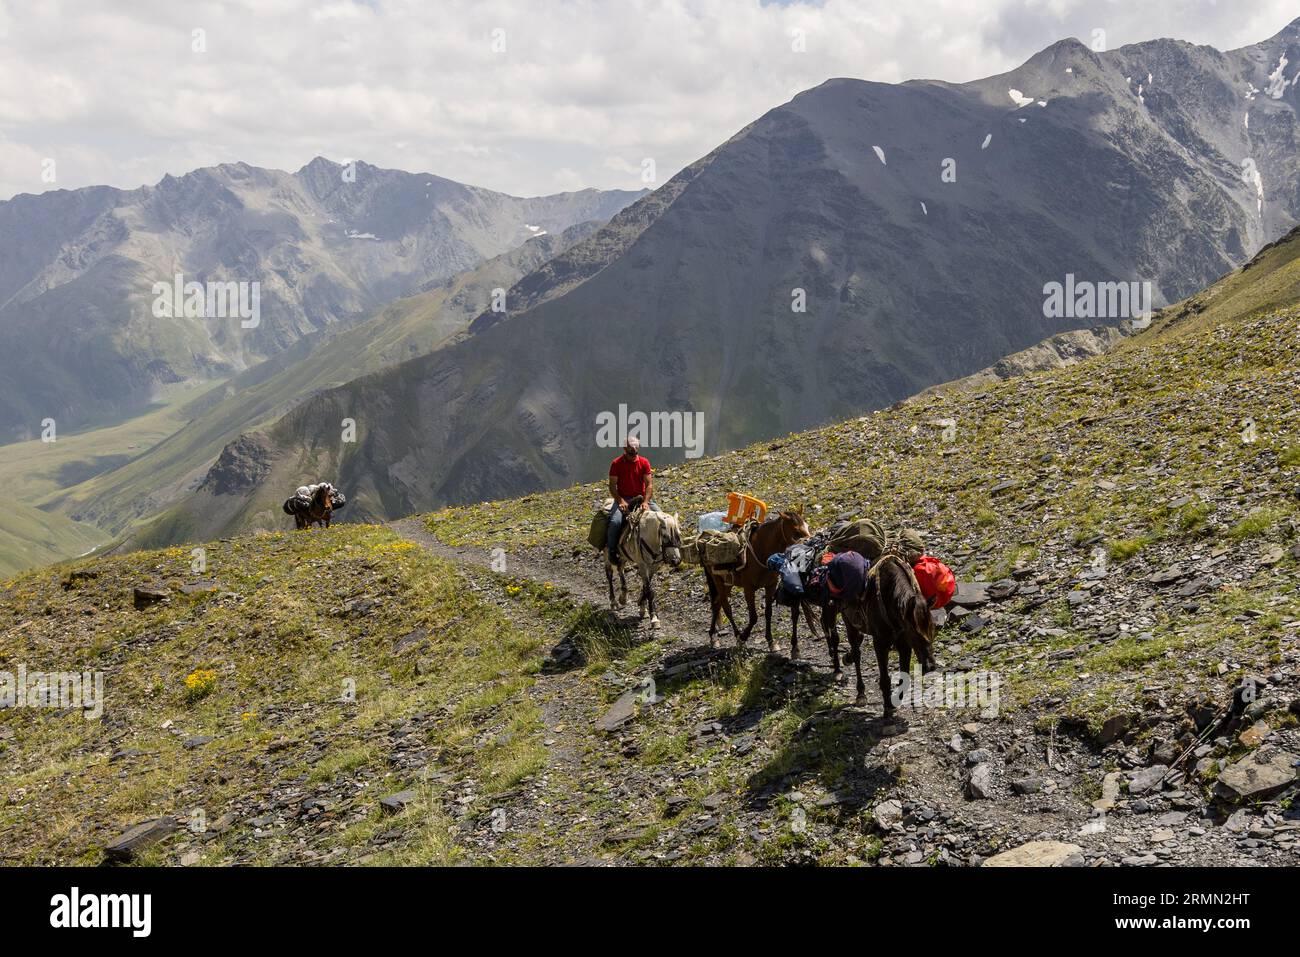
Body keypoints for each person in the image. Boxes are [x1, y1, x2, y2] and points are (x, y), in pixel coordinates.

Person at [606, 436, 660, 563]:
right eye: (631, 450)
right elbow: (612, 486)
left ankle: (661, 547)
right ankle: (612, 551)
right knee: (615, 522)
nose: (633, 452)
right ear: (625, 449)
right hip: (624, 498)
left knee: (660, 517)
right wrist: (620, 501)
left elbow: (649, 485)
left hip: (641, 498)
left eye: (636, 449)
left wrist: (646, 502)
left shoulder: (644, 462)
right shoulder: (616, 464)